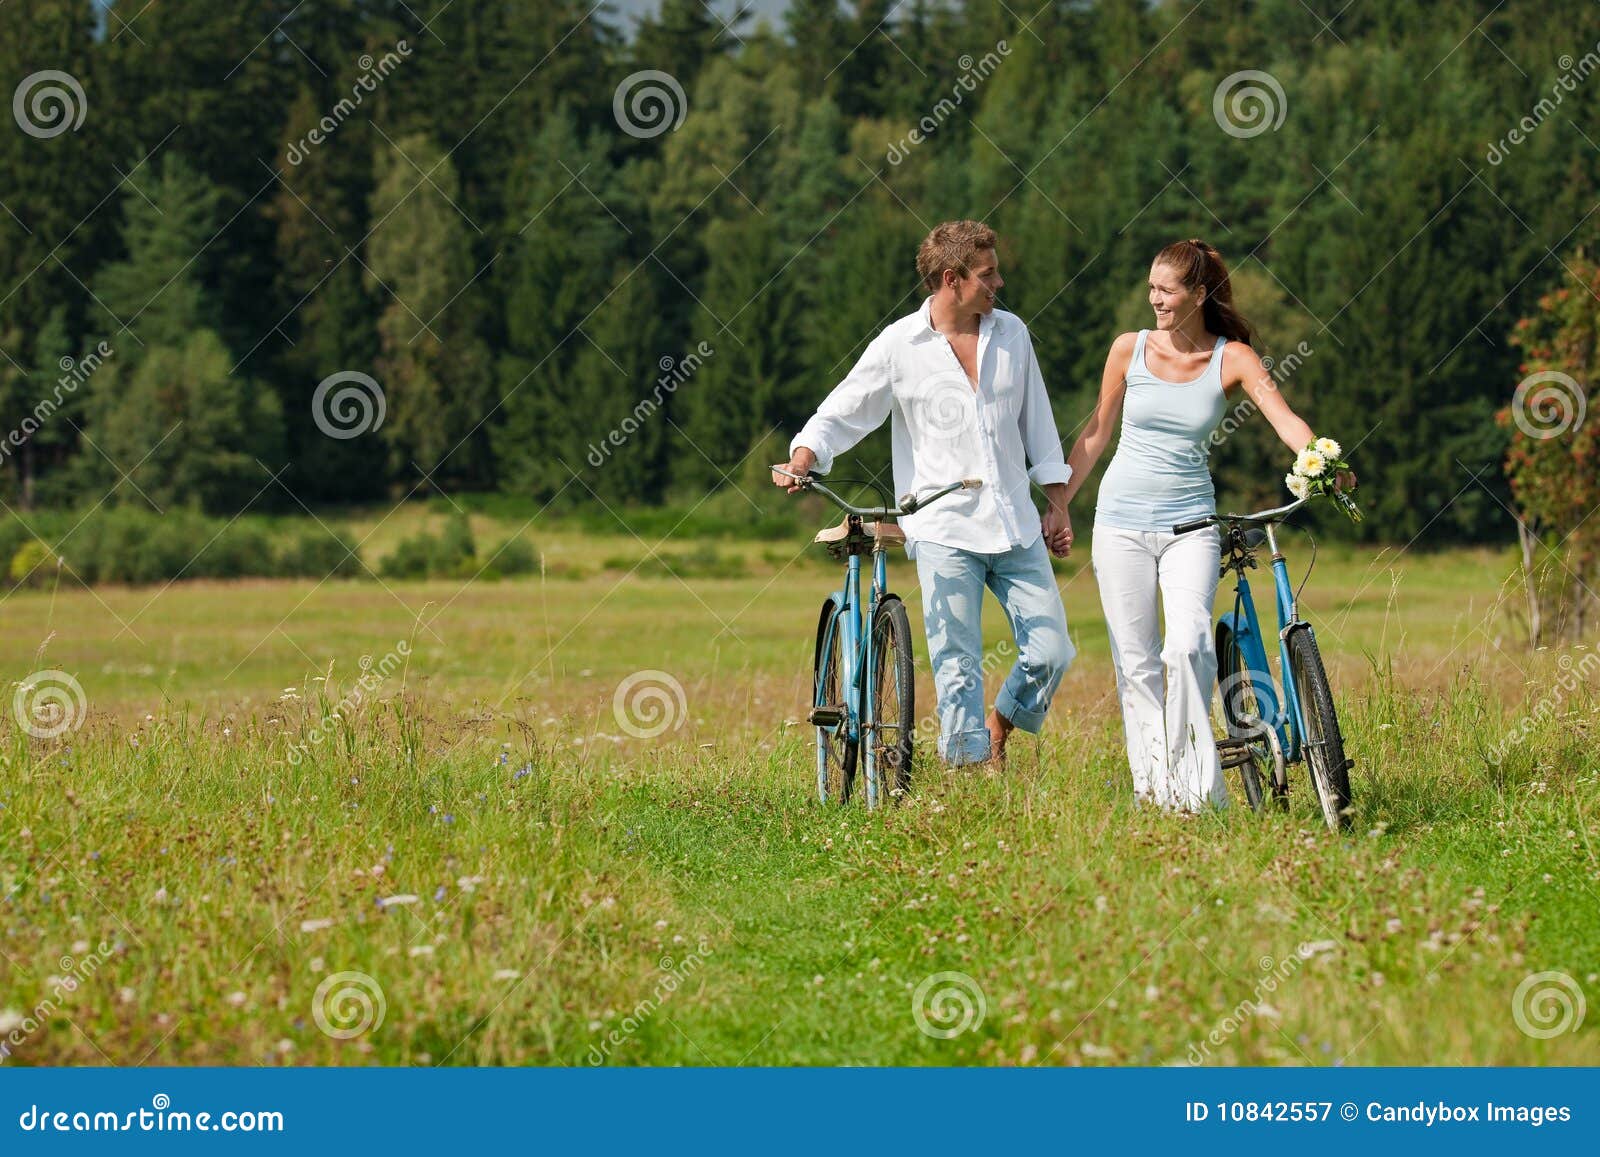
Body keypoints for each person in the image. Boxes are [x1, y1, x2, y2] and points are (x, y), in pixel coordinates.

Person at [1059, 238, 1354, 810]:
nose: (1155, 300)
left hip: (1191, 523)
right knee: (1136, 661)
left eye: (1166, 290)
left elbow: (1284, 419)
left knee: (1188, 645)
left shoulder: (1233, 357)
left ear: (1198, 293)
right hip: (1119, 522)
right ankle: (1154, 791)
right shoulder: (1129, 349)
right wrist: (1059, 502)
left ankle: (1196, 796)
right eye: (1151, 288)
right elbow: (1096, 433)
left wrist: (1324, 463)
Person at [773, 220, 1074, 767]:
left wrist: (1057, 502)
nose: (999, 283)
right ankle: (966, 770)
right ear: (951, 278)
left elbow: (1040, 426)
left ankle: (1000, 724)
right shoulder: (899, 346)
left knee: (1052, 650)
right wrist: (803, 457)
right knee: (957, 661)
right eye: (988, 274)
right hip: (942, 526)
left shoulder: (1012, 335)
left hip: (1014, 521)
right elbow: (843, 410)